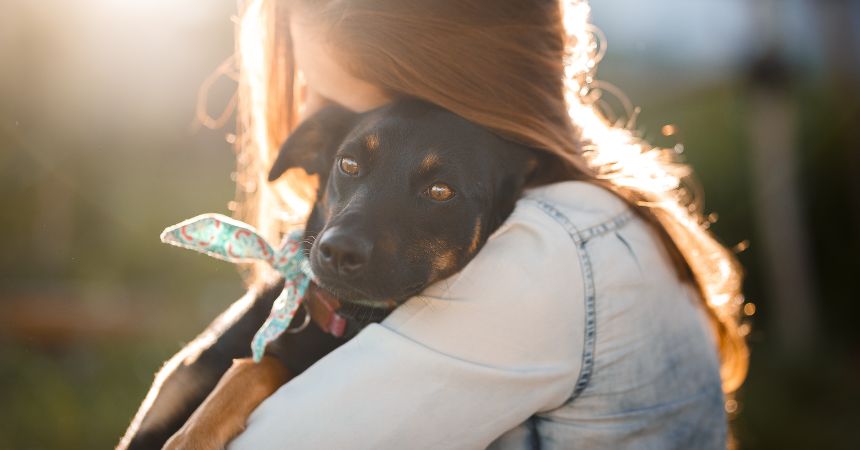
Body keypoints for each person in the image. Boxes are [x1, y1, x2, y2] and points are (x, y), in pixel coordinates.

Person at [124, 0, 750, 448]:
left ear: (439, 87)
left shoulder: (537, 263)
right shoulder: (588, 211)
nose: (310, 113)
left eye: (340, 100)